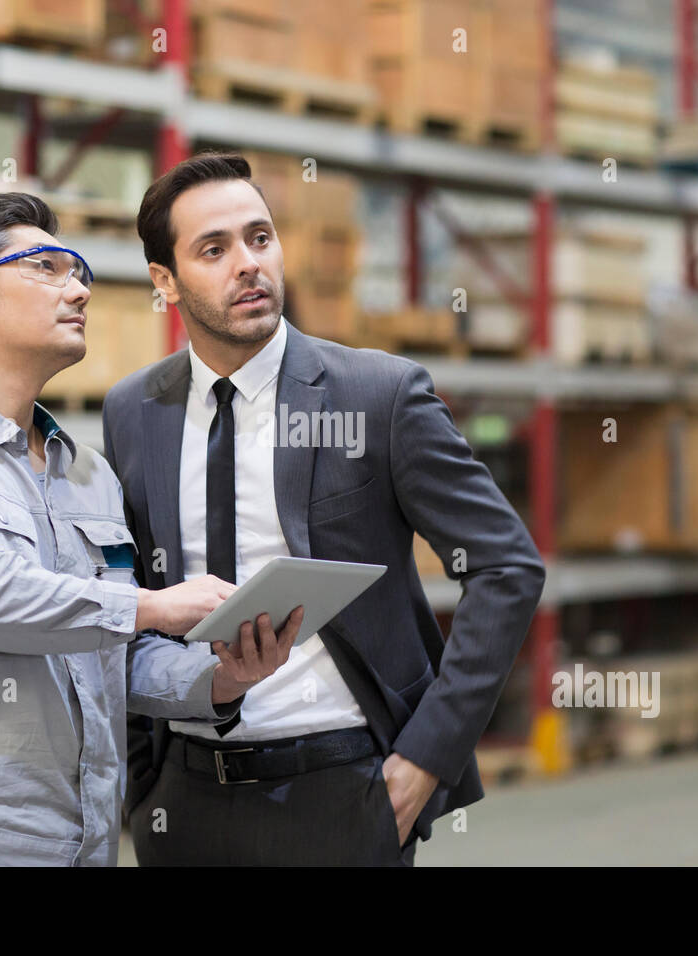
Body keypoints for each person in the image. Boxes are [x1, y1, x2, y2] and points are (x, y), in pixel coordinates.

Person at [0, 191, 302, 867]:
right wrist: (153, 606)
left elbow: (106, 653)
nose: (79, 288)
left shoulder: (89, 476)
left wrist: (222, 679)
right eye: (47, 267)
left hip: (87, 847)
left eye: (79, 271)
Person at [102, 153, 545, 866]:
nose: (248, 264)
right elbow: (130, 600)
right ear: (165, 282)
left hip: (339, 795)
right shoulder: (134, 411)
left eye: (260, 238)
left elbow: (507, 567)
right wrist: (143, 784)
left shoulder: (377, 395)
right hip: (183, 803)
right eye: (214, 250)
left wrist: (423, 762)